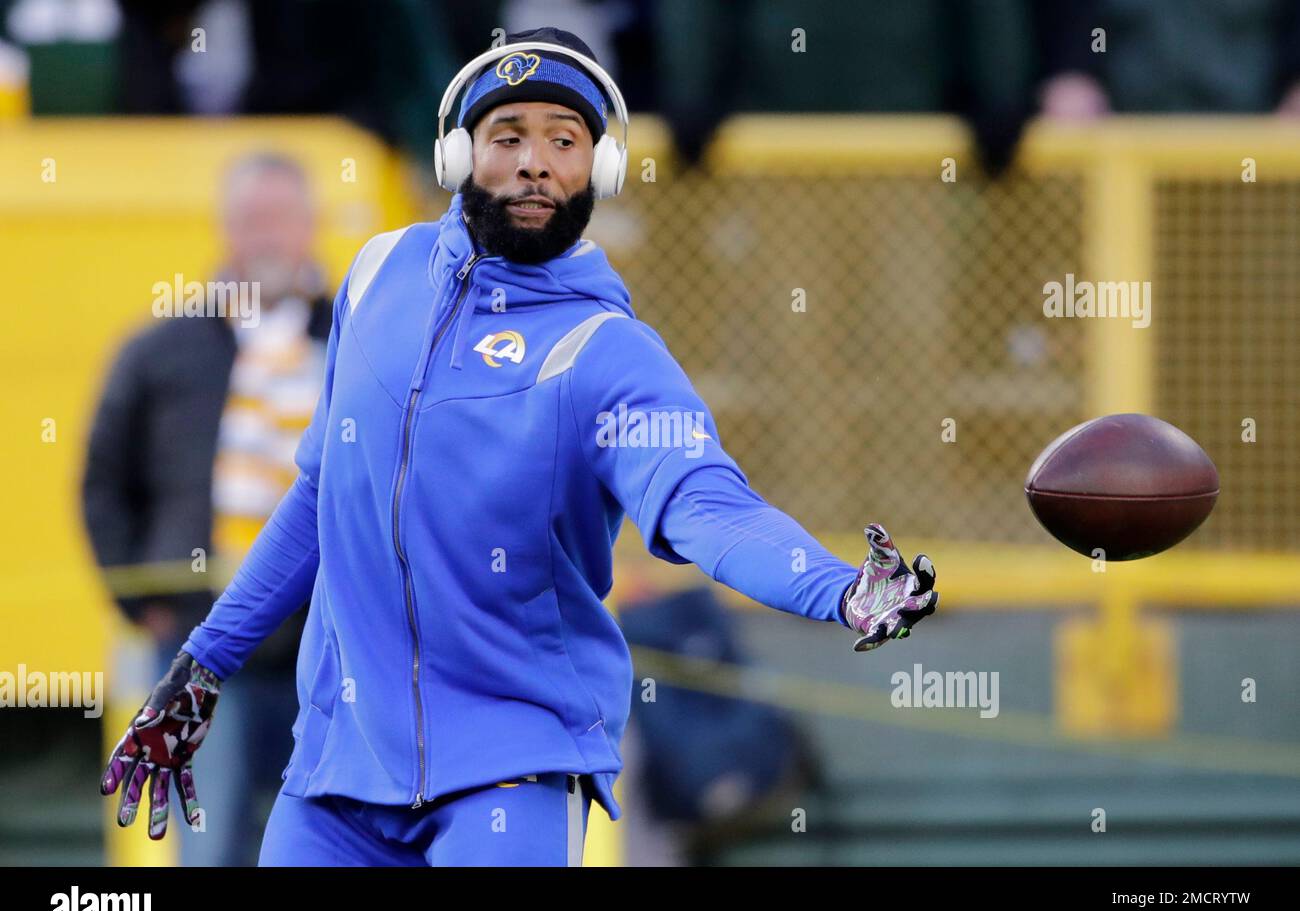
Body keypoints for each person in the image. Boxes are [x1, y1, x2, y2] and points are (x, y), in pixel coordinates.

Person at [99, 27, 939, 867]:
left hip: (510, 770)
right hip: (335, 772)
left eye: (564, 140)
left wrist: (836, 588)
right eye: (508, 137)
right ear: (460, 155)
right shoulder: (377, 272)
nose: (536, 161)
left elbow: (704, 504)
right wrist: (202, 667)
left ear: (599, 170)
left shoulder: (607, 351)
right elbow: (322, 496)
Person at [84, 152, 330, 865]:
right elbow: (102, 481)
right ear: (226, 229)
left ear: (310, 228)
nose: (268, 238)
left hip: (324, 645)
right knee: (209, 837)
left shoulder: (354, 339)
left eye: (282, 220)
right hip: (200, 644)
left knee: (326, 835)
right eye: (253, 220)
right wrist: (142, 599)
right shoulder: (163, 347)